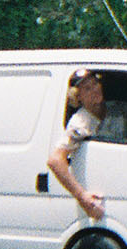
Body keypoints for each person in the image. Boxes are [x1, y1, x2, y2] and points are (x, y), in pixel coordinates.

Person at [47, 69, 112, 219]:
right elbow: (55, 160)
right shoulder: (80, 123)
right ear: (78, 97)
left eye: (95, 83)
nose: (95, 89)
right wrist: (82, 197)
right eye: (87, 88)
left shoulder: (118, 108)